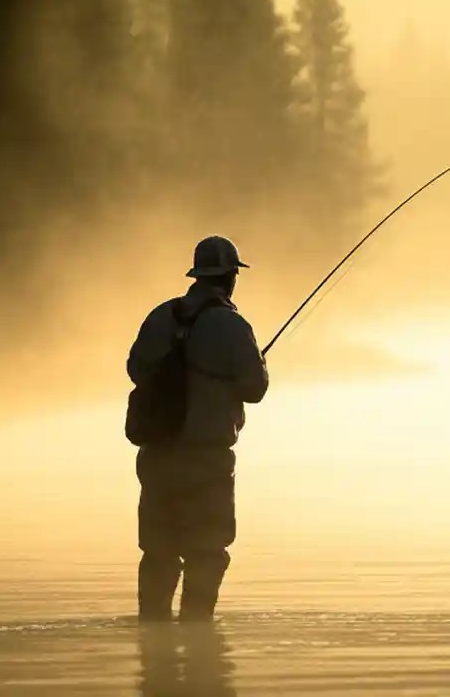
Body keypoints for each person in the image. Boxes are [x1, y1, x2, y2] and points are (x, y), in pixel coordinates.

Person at [127, 235, 269, 621]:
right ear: (230, 277)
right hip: (206, 459)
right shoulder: (232, 324)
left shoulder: (160, 316)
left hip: (156, 455)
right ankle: (198, 631)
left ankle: (152, 635)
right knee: (207, 550)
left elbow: (136, 371)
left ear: (197, 274)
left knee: (158, 550)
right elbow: (254, 390)